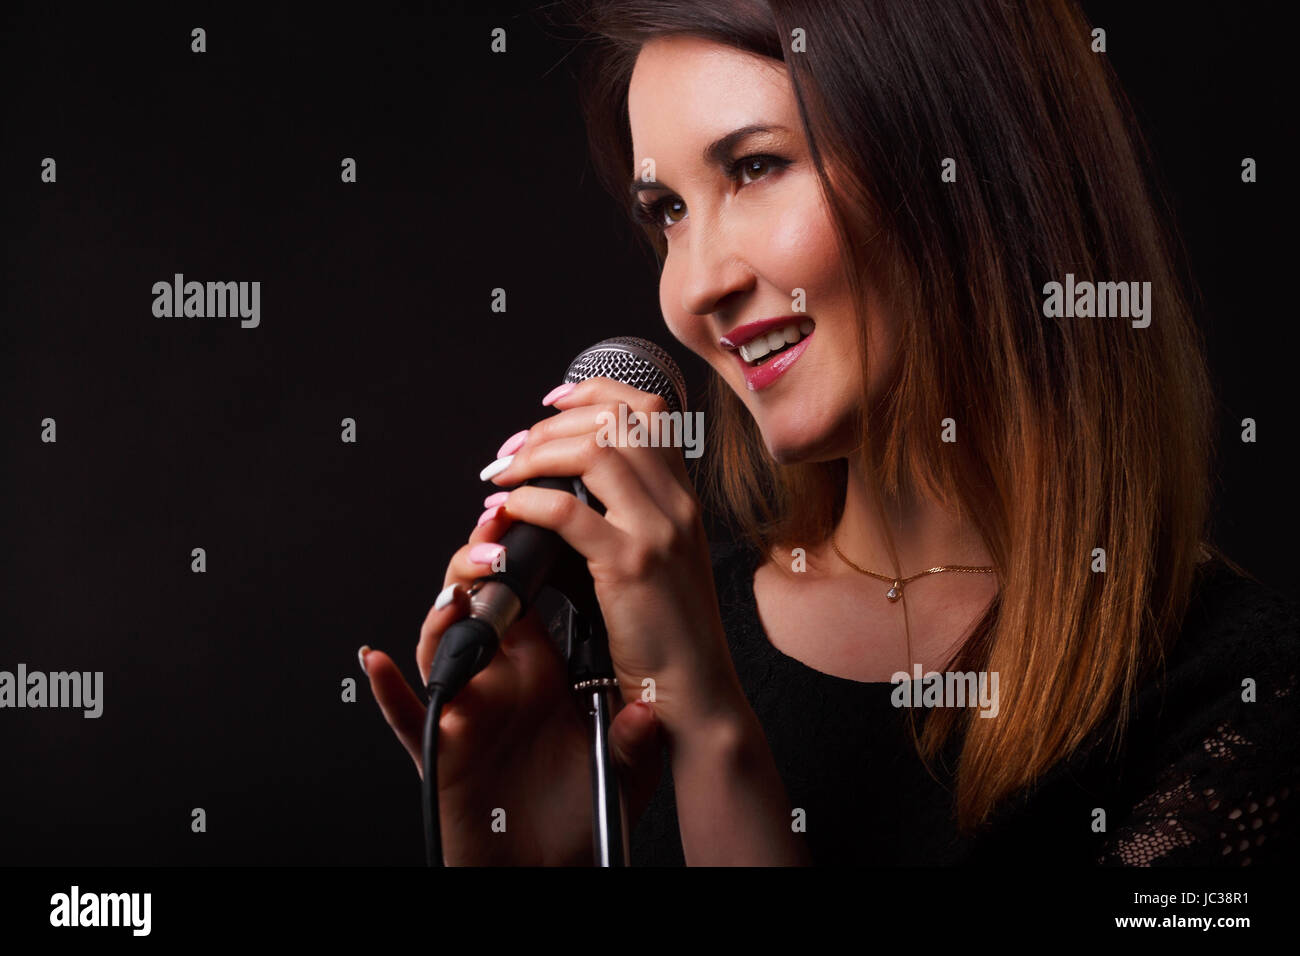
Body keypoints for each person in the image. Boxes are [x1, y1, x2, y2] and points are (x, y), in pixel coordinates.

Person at [361, 0, 1299, 865]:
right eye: (668, 213)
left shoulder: (1237, 691)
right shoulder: (615, 675)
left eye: (757, 167)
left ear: (967, 166)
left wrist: (712, 728)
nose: (695, 291)